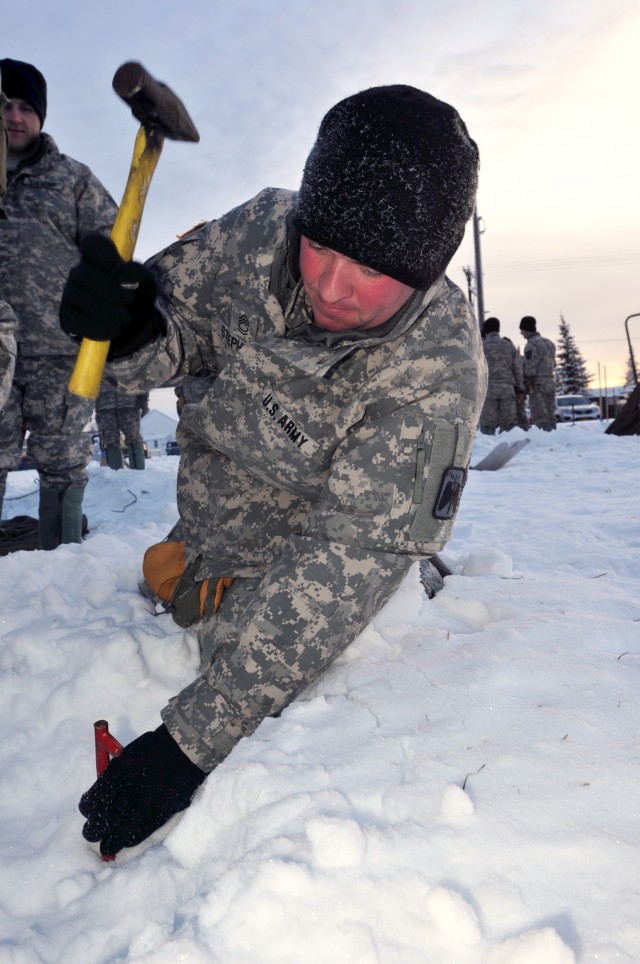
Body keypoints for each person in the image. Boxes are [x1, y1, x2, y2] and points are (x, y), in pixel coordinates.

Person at [60, 84, 487, 858]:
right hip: (205, 542)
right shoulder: (263, 228)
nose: (329, 285)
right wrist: (127, 333)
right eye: (319, 245)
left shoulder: (436, 374)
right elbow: (179, 330)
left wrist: (190, 744)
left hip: (319, 581)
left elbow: (344, 558)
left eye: (368, 269)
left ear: (425, 272)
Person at [0, 58, 118, 543]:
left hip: (59, 348)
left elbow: (114, 247)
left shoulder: (72, 180)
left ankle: (62, 554)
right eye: (4, 105)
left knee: (63, 455)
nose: (14, 116)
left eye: (26, 106)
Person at [478, 317, 525, 434]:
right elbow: (517, 369)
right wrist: (520, 388)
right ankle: (508, 446)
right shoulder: (509, 346)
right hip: (507, 388)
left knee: (488, 423)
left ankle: (488, 446)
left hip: (487, 389)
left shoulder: (480, 347)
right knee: (508, 423)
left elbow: (474, 370)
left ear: (486, 330)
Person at [95, 382, 149, 469]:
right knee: (110, 439)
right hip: (104, 403)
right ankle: (116, 475)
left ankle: (139, 474)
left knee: (134, 437)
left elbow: (141, 374)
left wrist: (144, 398)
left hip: (128, 401)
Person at [519, 315, 556, 430]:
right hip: (550, 382)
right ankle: (554, 439)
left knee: (541, 416)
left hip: (537, 385)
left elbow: (530, 369)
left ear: (526, 329)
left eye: (522, 330)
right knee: (551, 415)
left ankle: (544, 441)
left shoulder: (531, 345)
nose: (521, 333)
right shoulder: (549, 343)